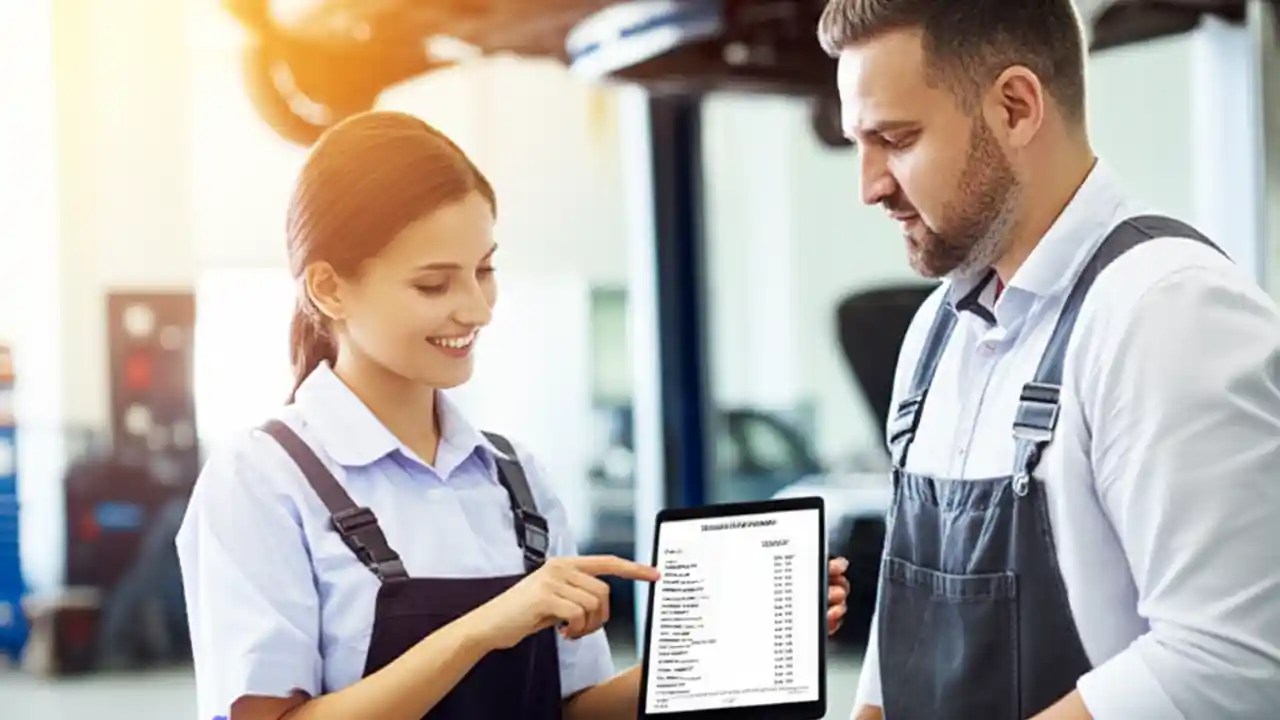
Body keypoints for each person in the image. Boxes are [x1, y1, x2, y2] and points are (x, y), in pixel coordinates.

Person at [176, 110, 852, 720]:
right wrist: (483, 628)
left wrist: (730, 647)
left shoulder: (512, 476)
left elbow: (572, 710)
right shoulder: (262, 481)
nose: (475, 309)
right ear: (329, 288)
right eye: (433, 284)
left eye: (485, 271)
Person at [815, 1, 1280, 719]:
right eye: (859, 145)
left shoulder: (1167, 312)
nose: (869, 186)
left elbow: (1229, 660)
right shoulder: (935, 333)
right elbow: (902, 640)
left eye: (896, 139)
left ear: (1016, 107)